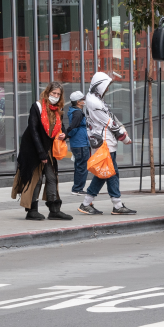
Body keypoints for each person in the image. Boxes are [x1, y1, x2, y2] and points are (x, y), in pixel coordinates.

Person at [11, 82, 73, 221]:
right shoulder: (37, 106)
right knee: (36, 179)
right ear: (47, 92)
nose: (55, 96)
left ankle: (54, 210)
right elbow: (33, 130)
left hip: (49, 148)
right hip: (33, 148)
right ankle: (32, 210)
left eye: (58, 94)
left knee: (52, 177)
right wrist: (41, 153)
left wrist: (64, 133)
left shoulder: (58, 109)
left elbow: (60, 126)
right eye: (53, 93)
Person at [78, 71, 136, 216]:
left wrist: (121, 129)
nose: (107, 89)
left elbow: (110, 116)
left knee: (105, 173)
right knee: (111, 173)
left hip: (103, 142)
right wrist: (124, 137)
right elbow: (109, 122)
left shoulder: (94, 99)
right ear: (99, 86)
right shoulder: (94, 102)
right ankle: (116, 204)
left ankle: (87, 203)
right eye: (106, 85)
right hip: (104, 143)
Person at [65, 90, 90, 194]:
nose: (85, 101)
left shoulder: (74, 111)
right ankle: (77, 189)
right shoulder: (78, 113)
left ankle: (77, 188)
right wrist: (66, 135)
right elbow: (73, 127)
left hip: (77, 143)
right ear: (78, 102)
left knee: (79, 166)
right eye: (83, 99)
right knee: (82, 167)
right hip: (80, 143)